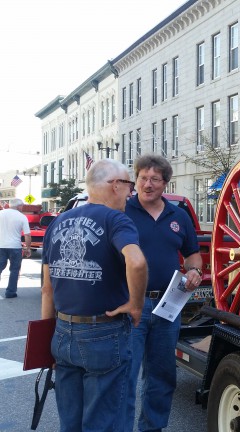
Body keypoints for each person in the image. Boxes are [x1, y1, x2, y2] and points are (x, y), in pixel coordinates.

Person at [40, 159, 148, 431]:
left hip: (63, 331)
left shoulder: (58, 222)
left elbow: (47, 288)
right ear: (115, 186)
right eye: (129, 185)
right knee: (102, 422)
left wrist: (46, 337)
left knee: (70, 421)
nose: (131, 193)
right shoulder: (116, 219)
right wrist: (135, 305)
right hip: (104, 333)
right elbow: (136, 262)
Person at [125, 154, 203, 432]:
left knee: (162, 375)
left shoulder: (178, 216)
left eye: (154, 179)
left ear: (165, 184)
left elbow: (192, 254)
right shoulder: (122, 211)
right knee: (125, 374)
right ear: (136, 180)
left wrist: (194, 271)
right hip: (131, 305)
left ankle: (152, 428)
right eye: (143, 178)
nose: (147, 184)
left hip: (168, 306)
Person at [0, 198, 32, 298]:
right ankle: (10, 292)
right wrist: (28, 248)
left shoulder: (1, 214)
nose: (22, 207)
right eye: (22, 205)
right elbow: (27, 235)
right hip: (15, 247)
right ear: (18, 206)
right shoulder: (22, 217)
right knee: (14, 270)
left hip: (1, 246)